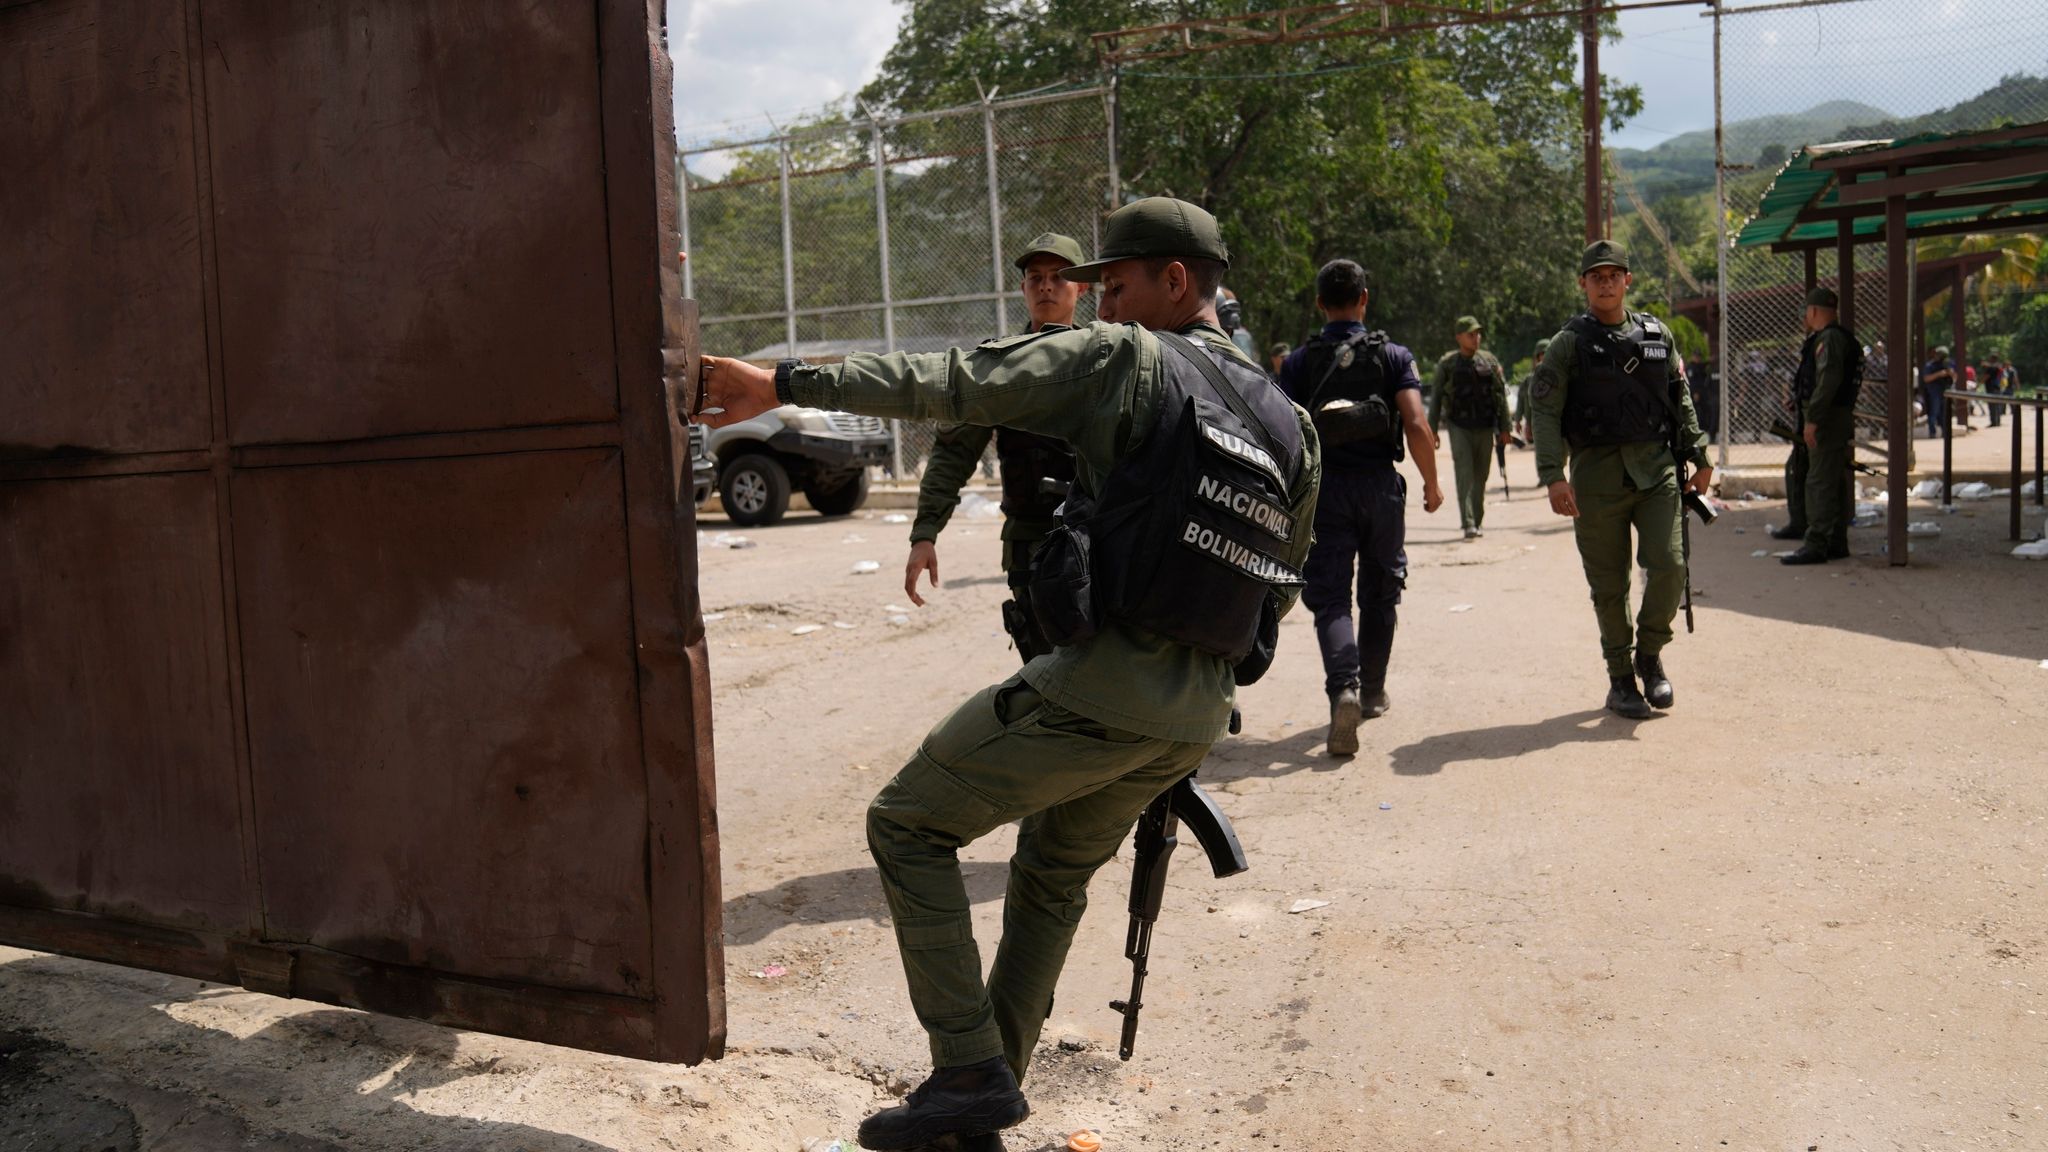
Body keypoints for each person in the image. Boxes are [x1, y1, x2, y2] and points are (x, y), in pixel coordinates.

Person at [697, 197, 1320, 1150]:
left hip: (1104, 682)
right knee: (1050, 876)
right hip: (1196, 711)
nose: (1099, 304)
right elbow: (1279, 587)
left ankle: (967, 1070)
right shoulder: (1293, 425)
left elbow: (954, 381)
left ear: (1176, 282)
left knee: (906, 823)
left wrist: (778, 380)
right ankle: (979, 1105)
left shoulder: (1124, 358)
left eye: (1114, 287)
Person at [1531, 240, 1712, 719]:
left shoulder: (1658, 335)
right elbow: (1545, 410)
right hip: (1595, 479)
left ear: (1628, 280)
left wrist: (1699, 453)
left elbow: (1681, 396)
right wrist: (1553, 475)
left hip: (1657, 471)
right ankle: (1620, 679)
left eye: (1614, 274)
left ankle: (1649, 655)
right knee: (1609, 586)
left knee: (1670, 566)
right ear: (1583, 284)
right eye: (1597, 275)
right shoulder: (1567, 344)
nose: (1606, 282)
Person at [1276, 259, 1443, 756]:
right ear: (1364, 299)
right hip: (1380, 491)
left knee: (1330, 599)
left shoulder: (1300, 363)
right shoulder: (1393, 356)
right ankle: (1371, 692)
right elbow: (1415, 423)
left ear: (1320, 304)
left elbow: (1284, 431)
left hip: (1327, 493)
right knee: (1381, 591)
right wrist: (1432, 483)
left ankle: (1342, 689)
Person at [905, 232, 1087, 662]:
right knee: (1045, 668)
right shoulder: (998, 367)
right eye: (1035, 277)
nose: (1046, 286)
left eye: (1059, 277)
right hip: (1032, 543)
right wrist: (925, 532)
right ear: (1023, 288)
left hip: (1100, 535)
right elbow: (954, 451)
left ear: (1082, 287)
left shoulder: (1107, 358)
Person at [1780, 287, 1864, 566]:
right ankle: (1835, 541)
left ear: (1814, 311)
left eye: (1806, 311)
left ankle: (1816, 543)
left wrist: (1813, 419)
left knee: (1819, 481)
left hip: (1827, 419)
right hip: (1830, 416)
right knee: (1829, 478)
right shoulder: (1831, 338)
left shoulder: (1829, 339)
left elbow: (1828, 381)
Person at [1429, 316, 1513, 539]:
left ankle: (1477, 519)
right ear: (1459, 337)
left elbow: (1501, 397)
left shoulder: (1490, 361)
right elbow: (1436, 397)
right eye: (1470, 334)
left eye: (1478, 334)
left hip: (1485, 427)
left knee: (1481, 476)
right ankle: (1468, 523)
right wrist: (1432, 431)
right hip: (1459, 426)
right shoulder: (1447, 364)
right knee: (1464, 474)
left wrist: (1506, 428)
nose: (1476, 338)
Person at [1516, 339, 1547, 447]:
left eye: (1547, 353)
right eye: (1542, 354)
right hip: (1537, 422)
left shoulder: (1561, 376)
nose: (1544, 357)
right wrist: (1520, 421)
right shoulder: (1530, 379)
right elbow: (1523, 401)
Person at [1920, 345, 1956, 437]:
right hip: (1933, 393)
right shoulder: (1930, 365)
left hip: (1945, 392)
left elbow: (1955, 378)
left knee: (1945, 414)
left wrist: (1950, 373)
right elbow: (1926, 379)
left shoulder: (1948, 364)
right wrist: (1939, 374)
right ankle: (1932, 432)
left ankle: (1945, 433)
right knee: (1934, 413)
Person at [1983, 352, 2009, 428]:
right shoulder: (1999, 366)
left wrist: (1978, 384)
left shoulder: (1991, 368)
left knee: (1992, 406)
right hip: (1998, 387)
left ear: (1992, 359)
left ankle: (1993, 422)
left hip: (1991, 388)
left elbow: (1986, 376)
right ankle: (1997, 421)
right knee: (1997, 405)